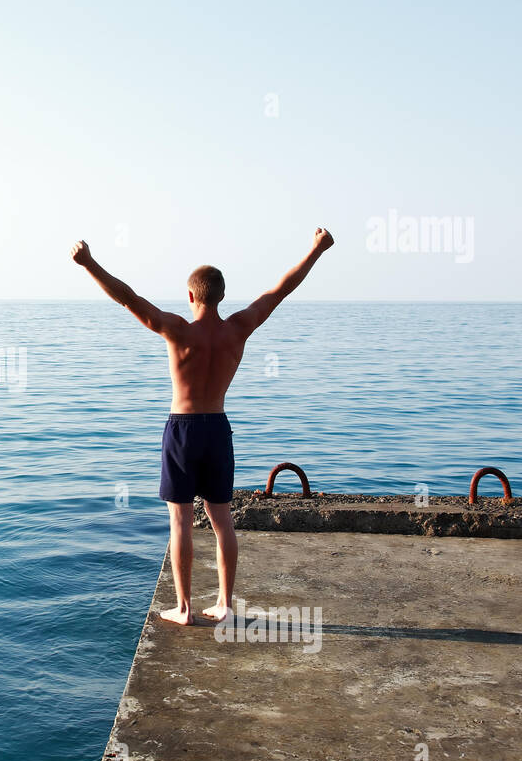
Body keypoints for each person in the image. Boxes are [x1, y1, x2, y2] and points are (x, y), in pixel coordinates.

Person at [71, 228, 335, 625]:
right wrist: (316, 249)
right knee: (222, 518)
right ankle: (226, 604)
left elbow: (128, 298)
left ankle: (184, 608)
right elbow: (281, 290)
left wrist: (89, 263)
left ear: (191, 296)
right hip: (217, 430)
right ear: (222, 296)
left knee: (180, 521)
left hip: (182, 430)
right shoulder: (238, 328)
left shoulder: (176, 329)